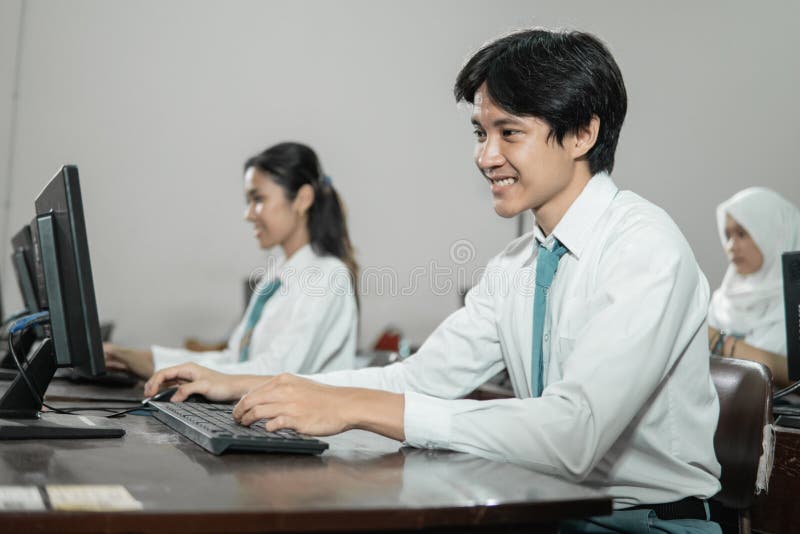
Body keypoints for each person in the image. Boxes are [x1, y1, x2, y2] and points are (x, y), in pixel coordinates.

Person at [146, 30, 722, 532]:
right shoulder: (516, 265)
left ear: (581, 134)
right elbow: (421, 378)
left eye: (509, 133)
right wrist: (260, 385)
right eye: (479, 132)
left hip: (642, 523)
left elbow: (575, 435)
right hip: (549, 512)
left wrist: (352, 405)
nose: (485, 156)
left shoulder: (644, 247)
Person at [105, 142, 359, 378]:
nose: (248, 214)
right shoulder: (276, 278)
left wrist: (167, 369)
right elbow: (234, 360)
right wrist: (150, 360)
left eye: (258, 199)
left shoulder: (327, 276)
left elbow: (276, 374)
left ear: (302, 199)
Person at [708, 187, 800, 386]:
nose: (731, 245)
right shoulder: (721, 301)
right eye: (728, 235)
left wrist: (717, 341)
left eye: (742, 234)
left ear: (775, 234)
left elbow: (794, 378)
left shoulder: (796, 300)